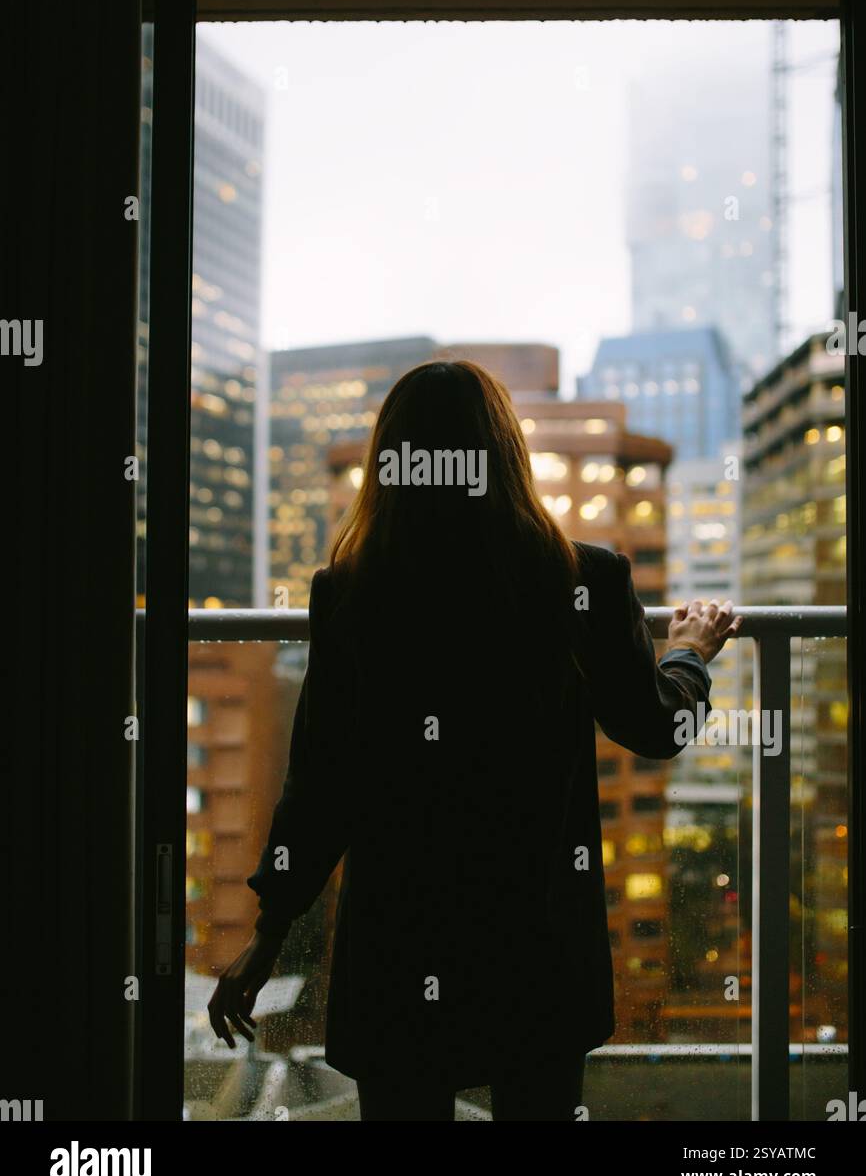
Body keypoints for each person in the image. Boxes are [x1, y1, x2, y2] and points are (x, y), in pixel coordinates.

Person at [208, 360, 743, 1120]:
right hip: (536, 941)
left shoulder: (352, 593)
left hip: (401, 938)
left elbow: (321, 783)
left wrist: (269, 935)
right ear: (507, 455)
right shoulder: (580, 580)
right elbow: (657, 728)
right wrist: (690, 652)